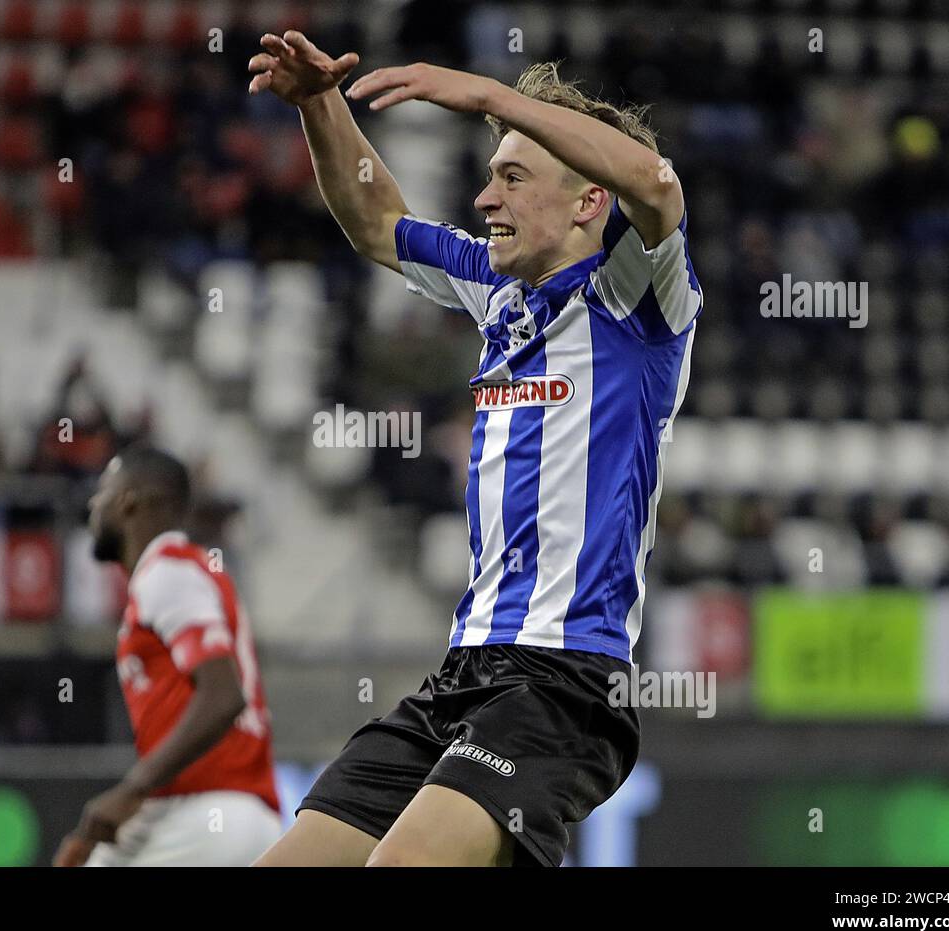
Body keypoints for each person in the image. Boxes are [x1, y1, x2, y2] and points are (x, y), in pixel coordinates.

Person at [248, 31, 702, 867]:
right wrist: (319, 105)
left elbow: (659, 184)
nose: (485, 196)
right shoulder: (498, 290)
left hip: (563, 686)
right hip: (463, 675)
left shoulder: (637, 304)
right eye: (491, 172)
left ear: (587, 202)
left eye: (513, 176)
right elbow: (379, 222)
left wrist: (492, 97)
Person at [53, 443, 281, 866]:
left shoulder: (166, 574)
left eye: (102, 492)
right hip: (235, 820)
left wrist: (130, 790)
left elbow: (223, 695)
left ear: (128, 502)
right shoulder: (194, 571)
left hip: (207, 818)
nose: (93, 503)